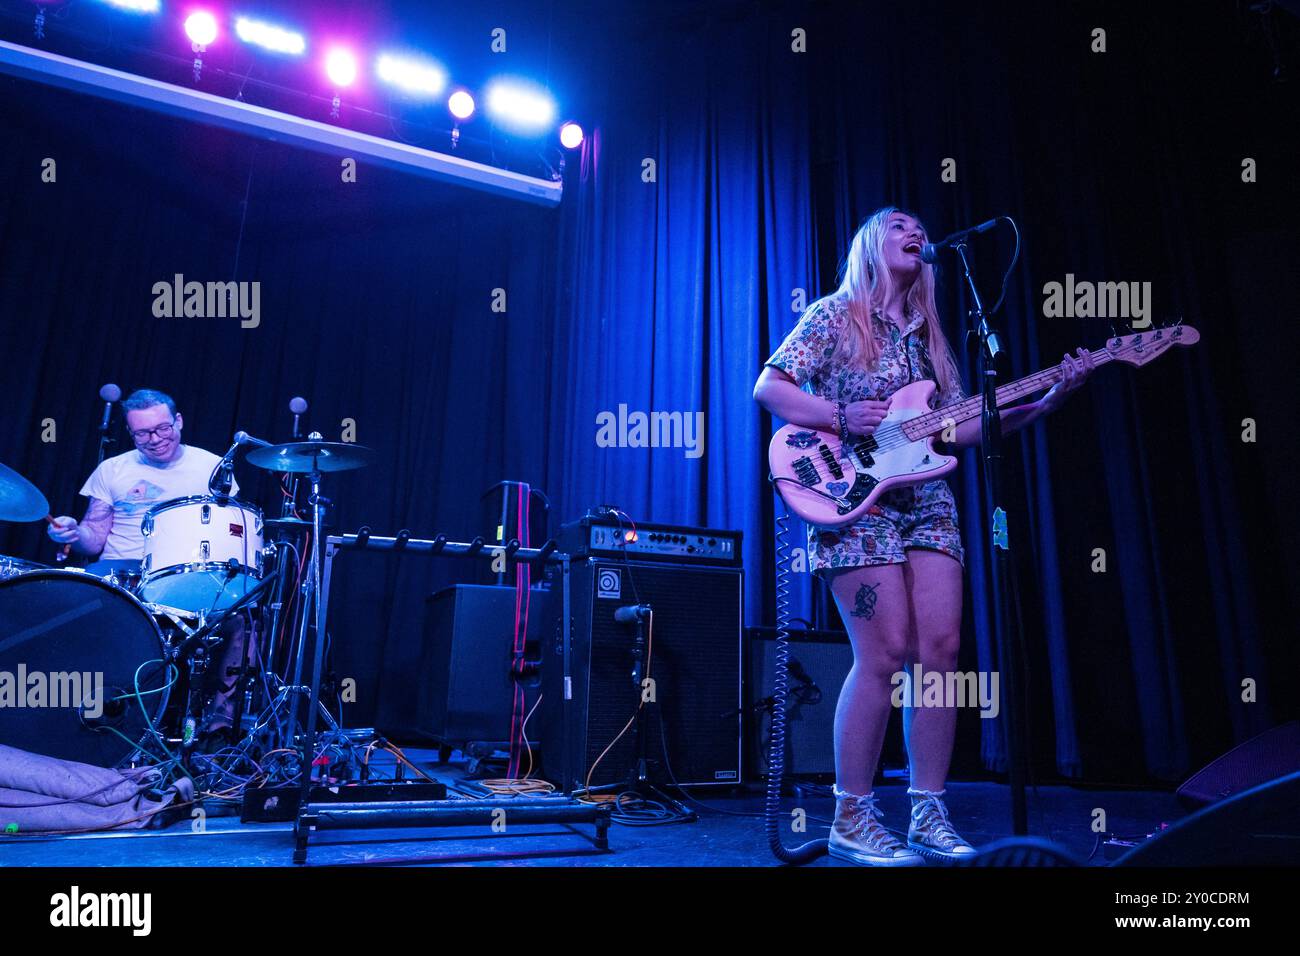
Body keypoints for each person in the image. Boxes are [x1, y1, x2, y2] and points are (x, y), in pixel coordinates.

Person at [754, 207, 1094, 865]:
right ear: (870, 244)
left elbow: (955, 431)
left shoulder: (931, 338)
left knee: (940, 650)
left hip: (928, 500)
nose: (915, 232)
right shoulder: (835, 314)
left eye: (918, 225)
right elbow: (771, 387)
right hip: (851, 493)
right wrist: (838, 414)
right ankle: (851, 816)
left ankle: (927, 813)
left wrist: (1045, 402)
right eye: (898, 224)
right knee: (883, 652)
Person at [48, 388, 254, 736]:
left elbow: (228, 532)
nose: (155, 439)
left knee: (241, 622)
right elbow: (95, 536)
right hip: (119, 571)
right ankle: (89, 718)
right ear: (130, 433)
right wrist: (72, 534)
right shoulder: (112, 470)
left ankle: (219, 727)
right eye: (143, 433)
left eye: (162, 429)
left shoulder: (212, 467)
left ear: (179, 422)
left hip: (185, 572)